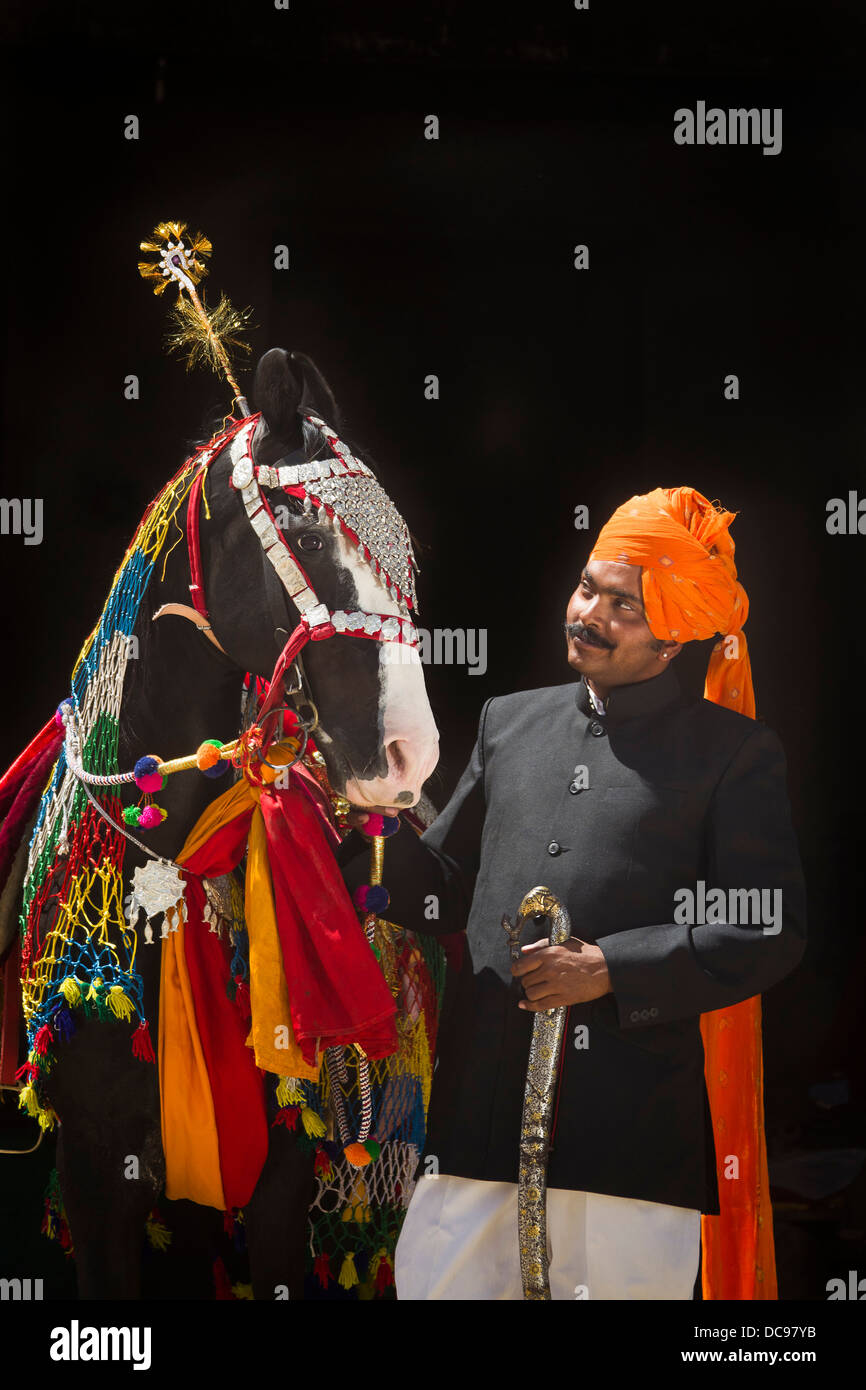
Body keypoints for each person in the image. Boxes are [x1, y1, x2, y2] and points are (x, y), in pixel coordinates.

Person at [337, 486, 807, 1300]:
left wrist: (611, 968)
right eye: (589, 587)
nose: (588, 612)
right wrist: (346, 820)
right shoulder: (507, 722)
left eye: (622, 605)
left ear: (673, 637)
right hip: (474, 1128)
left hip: (624, 1149)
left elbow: (769, 928)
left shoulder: (732, 753)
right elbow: (448, 890)